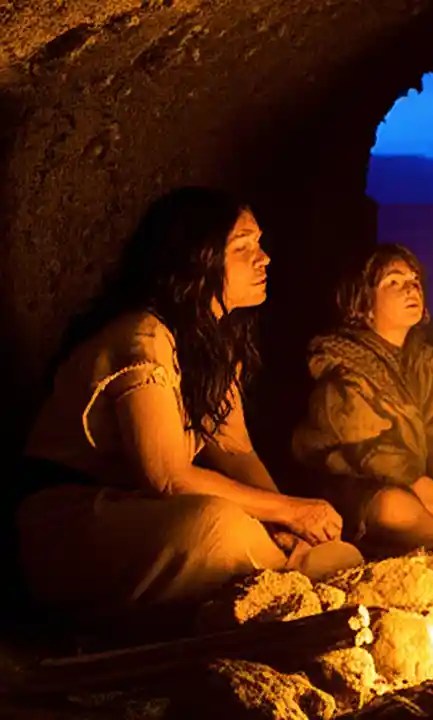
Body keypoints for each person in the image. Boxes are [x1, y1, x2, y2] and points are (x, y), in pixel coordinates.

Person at [11, 187, 361, 625]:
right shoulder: (144, 338)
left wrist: (287, 523)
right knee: (214, 526)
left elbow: (235, 451)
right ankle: (285, 586)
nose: (264, 258)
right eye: (243, 247)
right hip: (71, 522)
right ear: (198, 259)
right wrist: (290, 510)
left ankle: (286, 577)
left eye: (259, 243)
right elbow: (167, 477)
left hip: (141, 511)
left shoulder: (214, 344)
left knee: (312, 545)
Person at [293, 244, 433, 557]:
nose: (411, 289)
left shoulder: (423, 361)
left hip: (417, 483)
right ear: (364, 303)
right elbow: (363, 447)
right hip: (356, 486)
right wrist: (419, 484)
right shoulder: (340, 362)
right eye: (393, 282)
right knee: (392, 509)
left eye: (414, 280)